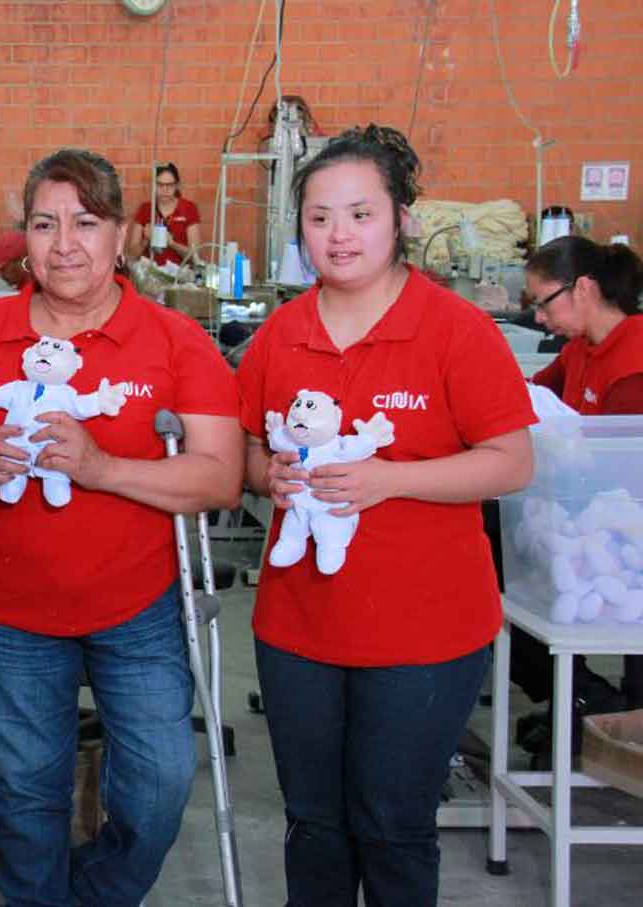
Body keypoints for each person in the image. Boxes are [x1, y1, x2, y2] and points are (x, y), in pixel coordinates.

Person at [0, 148, 243, 906]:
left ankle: (95, 892)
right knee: (24, 791)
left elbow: (219, 477)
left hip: (139, 608)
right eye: (45, 224)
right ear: (24, 238)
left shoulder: (173, 339)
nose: (64, 244)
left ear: (122, 235)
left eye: (86, 223)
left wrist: (102, 468)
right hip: (9, 611)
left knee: (161, 783)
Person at [237, 124, 535, 905]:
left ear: (402, 218)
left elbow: (512, 461)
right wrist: (265, 474)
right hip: (299, 626)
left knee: (393, 824)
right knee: (314, 823)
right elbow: (246, 450)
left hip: (424, 633)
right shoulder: (282, 335)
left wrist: (390, 480)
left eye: (360, 214)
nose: (339, 235)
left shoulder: (454, 330)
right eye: (319, 217)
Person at [510, 236, 643, 750]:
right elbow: (522, 396)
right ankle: (582, 700)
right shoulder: (580, 350)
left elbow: (620, 475)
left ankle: (601, 711)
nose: (540, 319)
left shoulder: (633, 360)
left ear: (583, 289)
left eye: (545, 303)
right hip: (585, 517)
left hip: (625, 534)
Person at [127, 162, 201, 267]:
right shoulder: (145, 209)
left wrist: (172, 244)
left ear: (177, 185)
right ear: (154, 186)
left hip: (179, 274)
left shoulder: (189, 208)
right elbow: (131, 255)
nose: (165, 190)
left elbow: (195, 256)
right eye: (160, 185)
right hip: (150, 272)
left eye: (169, 185)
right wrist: (146, 240)